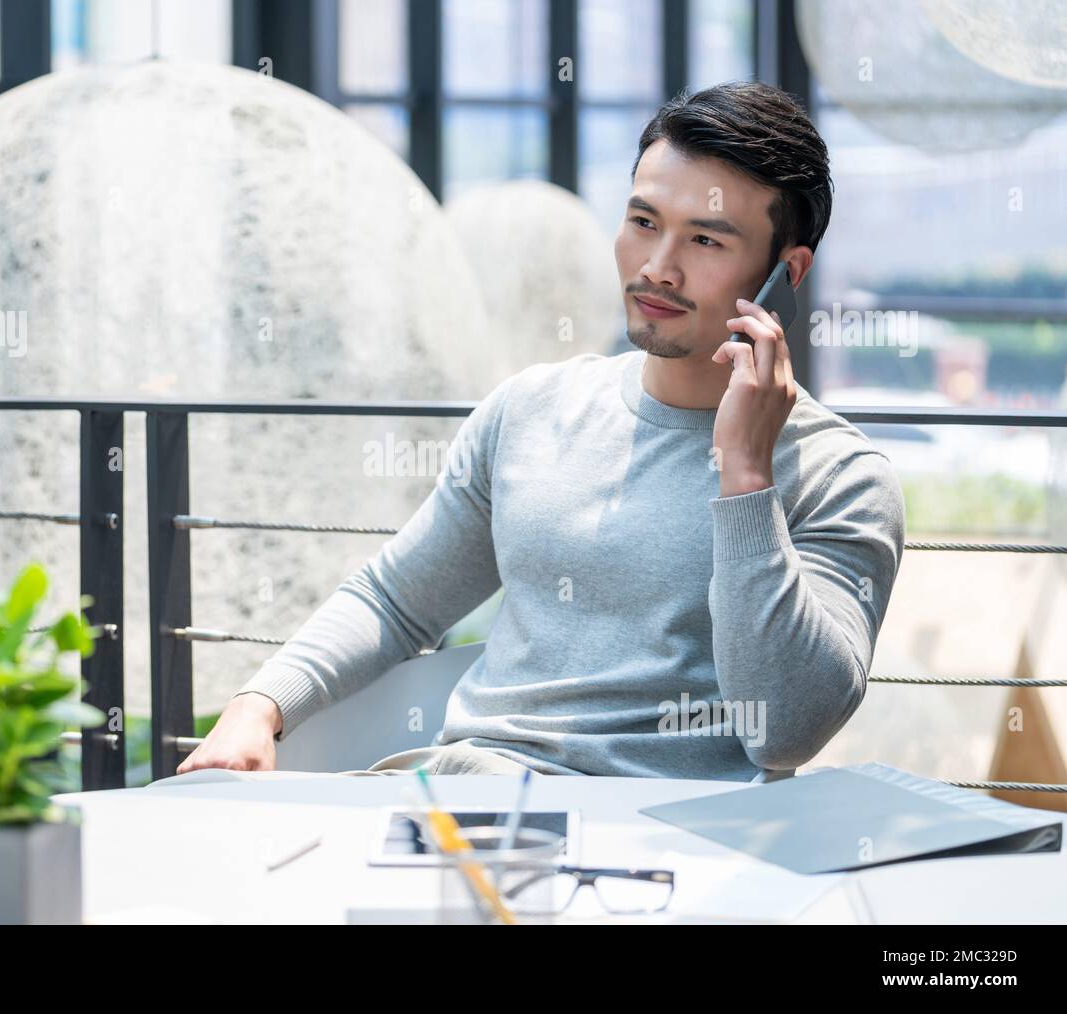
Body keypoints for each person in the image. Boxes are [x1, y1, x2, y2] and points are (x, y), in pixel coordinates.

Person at [177, 81, 906, 781]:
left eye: (706, 242)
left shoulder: (842, 476)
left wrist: (746, 476)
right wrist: (256, 707)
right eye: (643, 223)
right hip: (459, 801)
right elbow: (397, 601)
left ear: (787, 271)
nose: (657, 269)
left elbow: (784, 730)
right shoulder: (531, 408)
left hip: (659, 851)